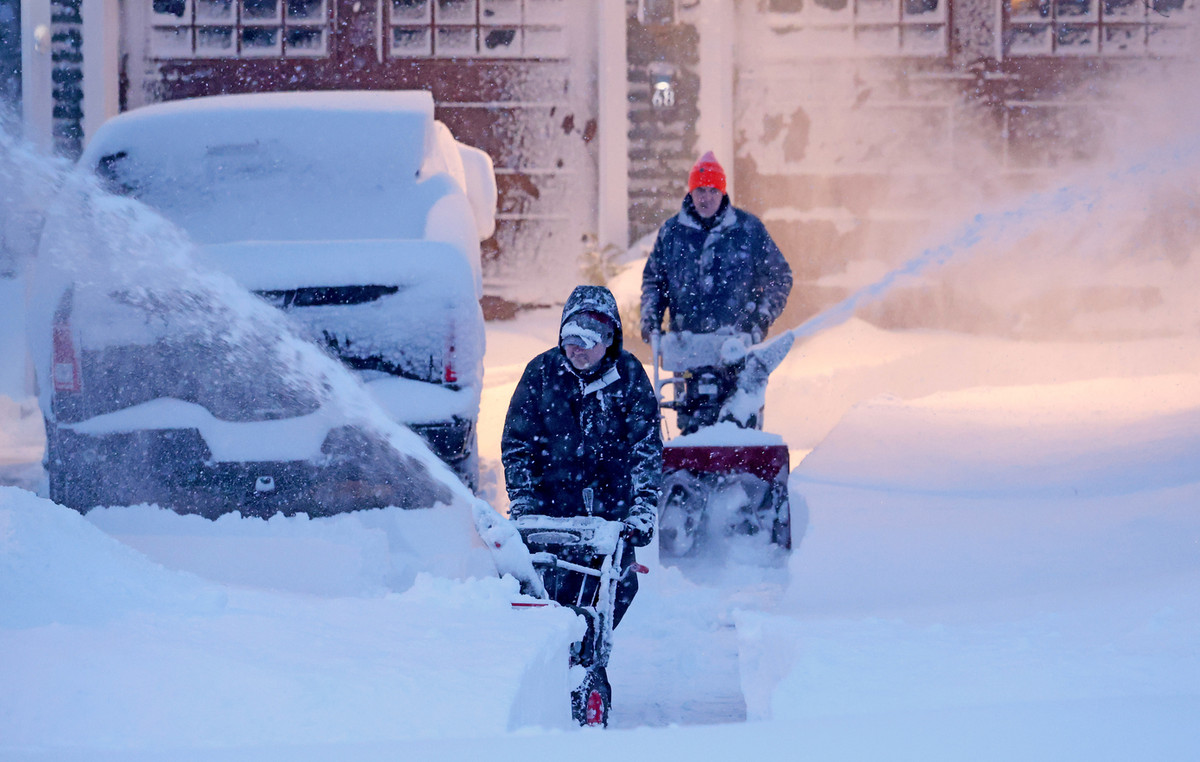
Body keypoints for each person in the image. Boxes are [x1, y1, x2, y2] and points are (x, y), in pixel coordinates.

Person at [502, 285, 661, 630]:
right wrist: (525, 500)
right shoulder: (541, 374)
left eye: (588, 340)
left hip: (610, 517)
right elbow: (518, 444)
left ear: (609, 339)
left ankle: (588, 657)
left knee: (614, 592)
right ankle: (556, 659)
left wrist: (642, 508)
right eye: (570, 337)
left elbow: (645, 448)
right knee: (548, 599)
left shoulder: (629, 377)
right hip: (549, 516)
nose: (577, 348)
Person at [640, 151, 793, 345]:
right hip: (684, 345)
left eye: (713, 191)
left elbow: (780, 276)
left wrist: (761, 318)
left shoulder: (748, 230)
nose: (707, 198)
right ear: (691, 192)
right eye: (701, 190)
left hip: (738, 345)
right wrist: (650, 322)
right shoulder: (672, 233)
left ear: (723, 192)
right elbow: (654, 281)